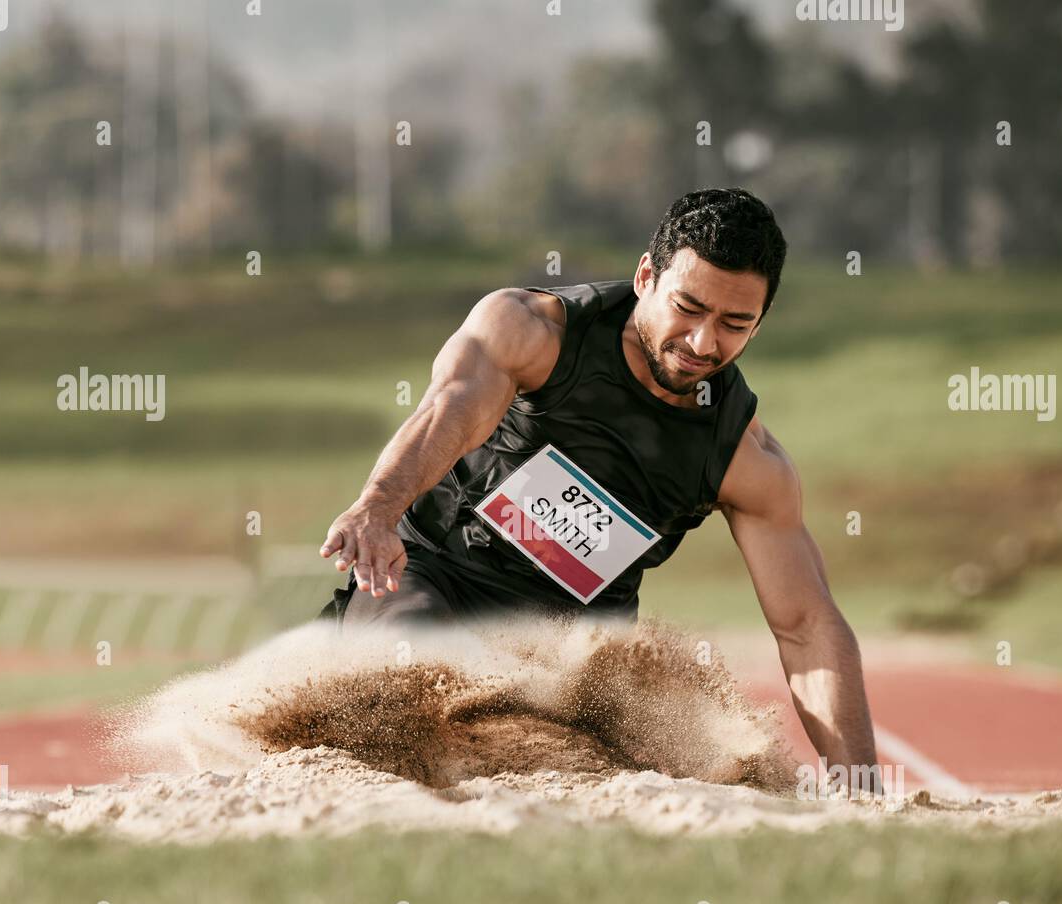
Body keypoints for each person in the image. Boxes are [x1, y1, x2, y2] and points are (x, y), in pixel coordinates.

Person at [319, 187, 877, 770]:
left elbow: (806, 625)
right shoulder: (534, 333)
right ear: (645, 278)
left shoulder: (742, 457)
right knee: (405, 675)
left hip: (572, 652)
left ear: (758, 325)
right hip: (435, 580)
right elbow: (451, 410)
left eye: (736, 324)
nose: (704, 342)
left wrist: (859, 781)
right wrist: (377, 508)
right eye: (688, 308)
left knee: (599, 751)